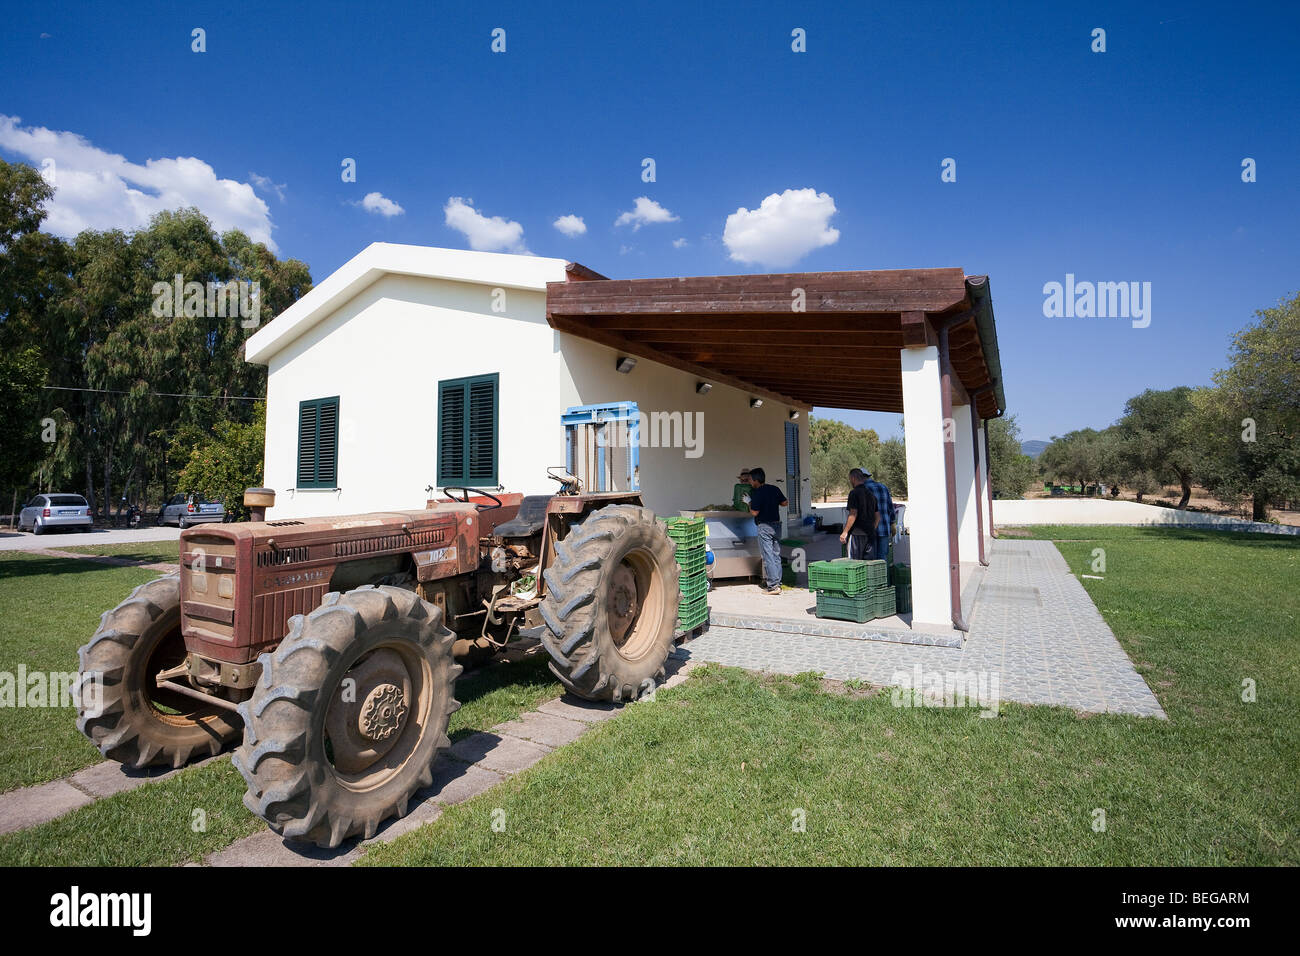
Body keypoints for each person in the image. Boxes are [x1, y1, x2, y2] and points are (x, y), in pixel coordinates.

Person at [746, 466, 787, 593]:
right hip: (777, 525)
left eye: (750, 480)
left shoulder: (757, 493)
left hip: (764, 526)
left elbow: (754, 512)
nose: (749, 483)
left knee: (768, 555)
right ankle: (777, 582)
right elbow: (785, 503)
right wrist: (773, 503)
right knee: (776, 555)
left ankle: (773, 586)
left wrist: (749, 502)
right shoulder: (774, 488)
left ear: (756, 480)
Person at [840, 468, 879, 560]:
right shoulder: (871, 495)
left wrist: (845, 532)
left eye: (850, 479)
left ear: (853, 478)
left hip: (856, 534)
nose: (850, 482)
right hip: (870, 534)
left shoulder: (854, 493)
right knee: (868, 564)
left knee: (853, 563)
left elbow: (853, 514)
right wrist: (872, 528)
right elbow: (878, 516)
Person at [862, 469, 896, 566]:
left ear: (862, 477)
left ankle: (874, 580)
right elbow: (890, 506)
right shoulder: (883, 487)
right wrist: (892, 522)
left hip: (870, 530)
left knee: (871, 559)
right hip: (884, 528)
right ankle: (884, 580)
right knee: (882, 558)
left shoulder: (863, 489)